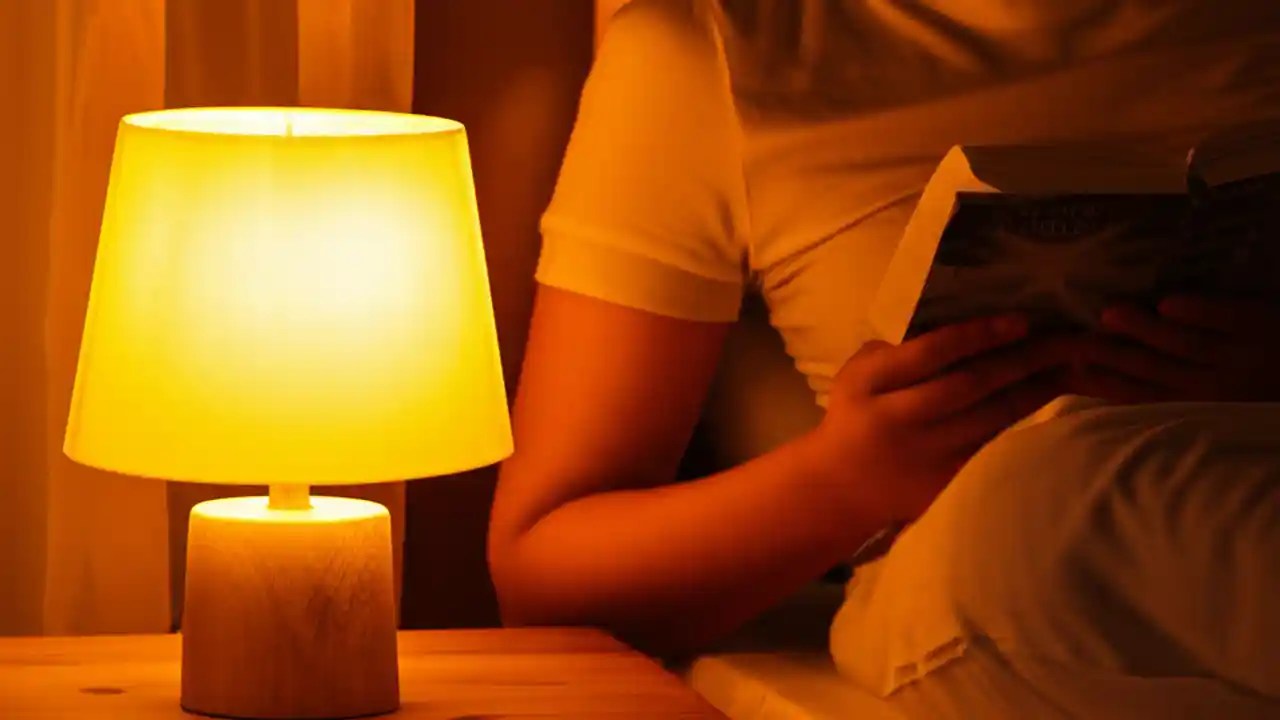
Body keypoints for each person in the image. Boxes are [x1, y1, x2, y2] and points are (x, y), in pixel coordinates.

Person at [488, 1, 1280, 715]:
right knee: (1035, 500)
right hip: (997, 551)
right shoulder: (721, 48)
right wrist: (846, 480)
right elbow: (543, 568)